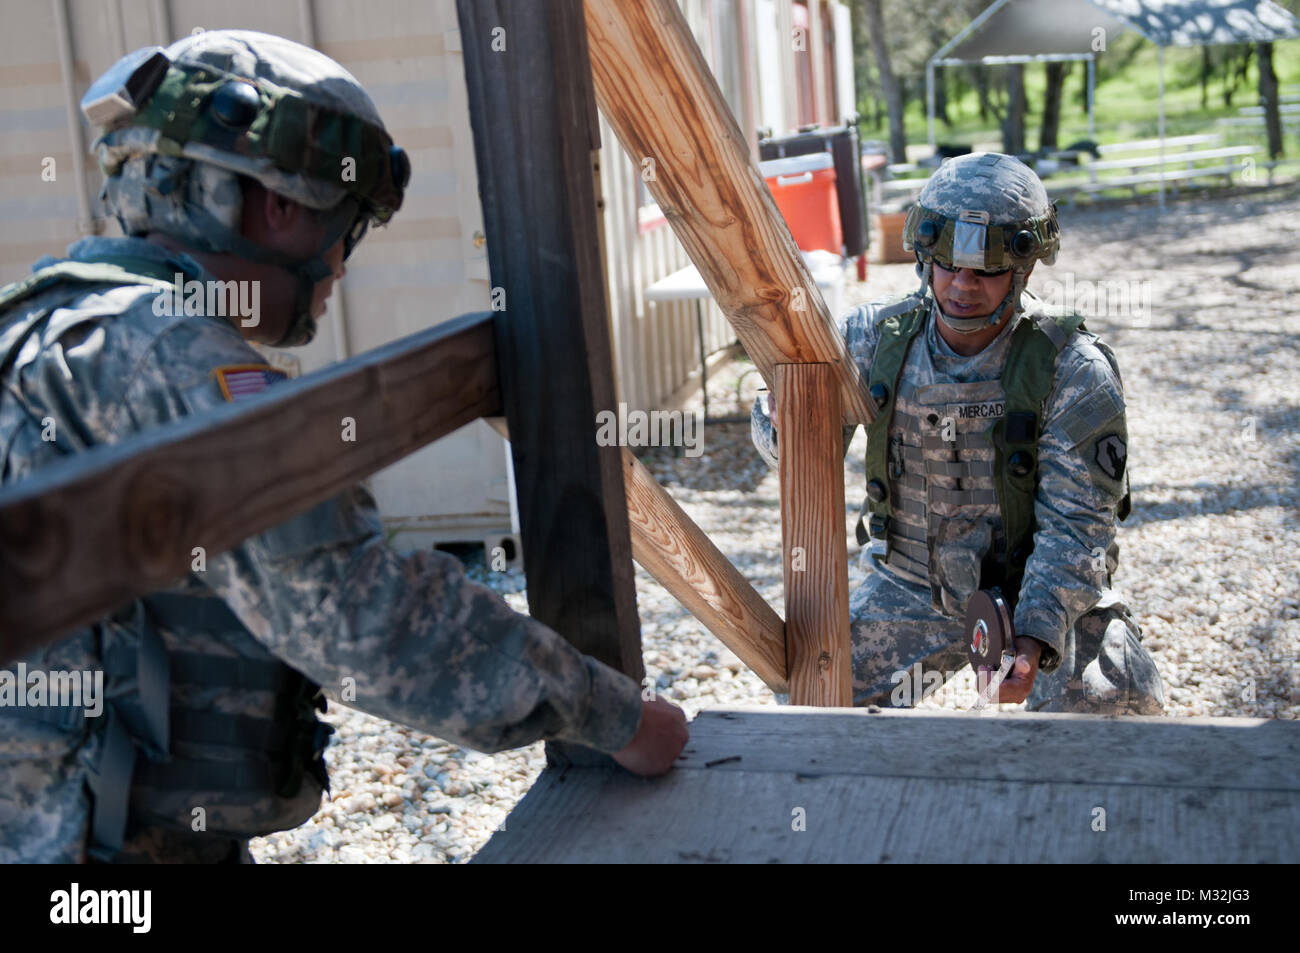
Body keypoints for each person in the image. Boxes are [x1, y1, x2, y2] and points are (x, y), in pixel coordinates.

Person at [0, 30, 686, 864]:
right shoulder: (171, 355)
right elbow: (364, 615)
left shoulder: (36, 329)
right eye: (345, 227)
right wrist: (620, 716)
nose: (338, 270)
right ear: (277, 207)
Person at [752, 152, 1164, 715]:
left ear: (1025, 266)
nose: (962, 285)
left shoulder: (1072, 369)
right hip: (909, 585)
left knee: (1115, 704)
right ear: (923, 255)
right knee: (809, 707)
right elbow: (792, 456)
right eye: (947, 264)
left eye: (986, 270)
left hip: (1033, 586)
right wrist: (781, 417)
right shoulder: (873, 340)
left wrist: (1036, 636)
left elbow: (1077, 529)